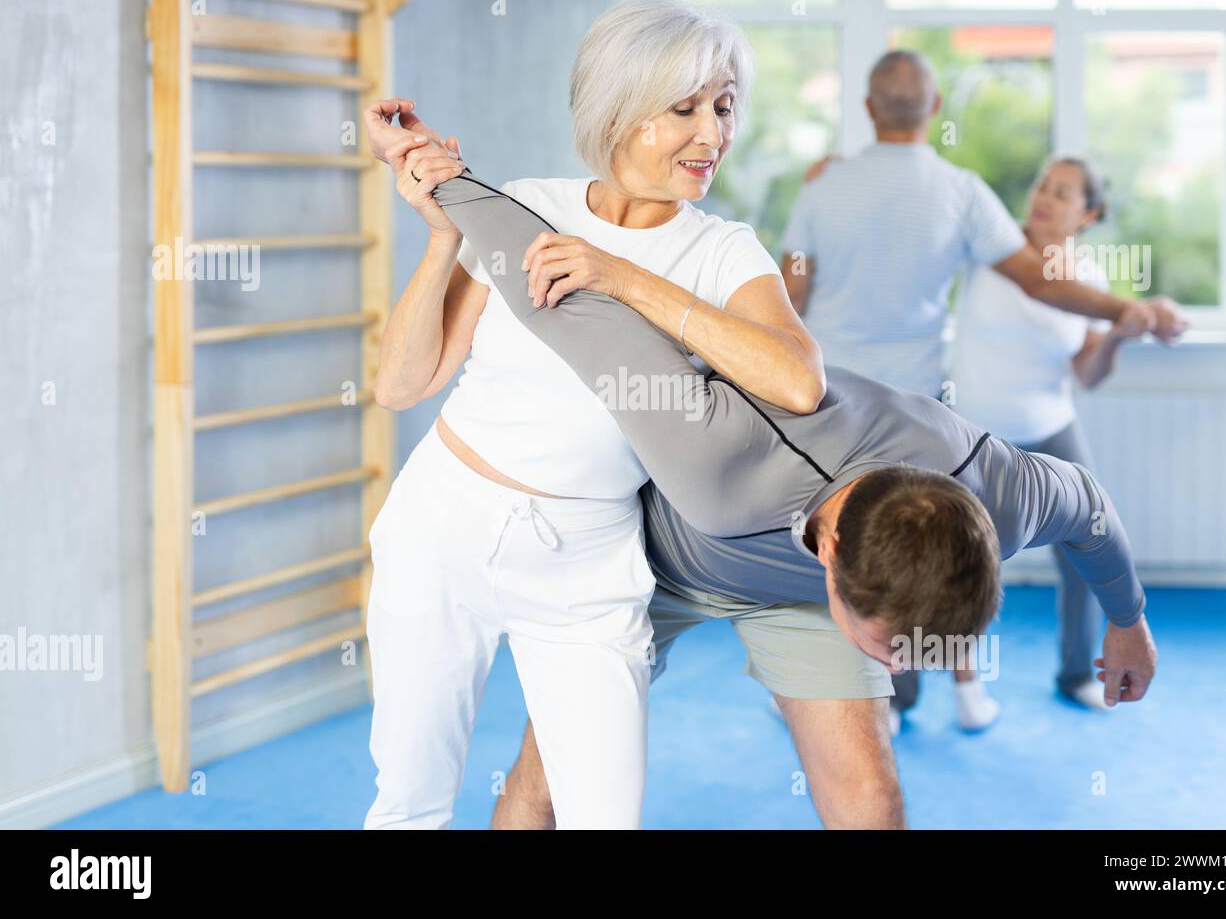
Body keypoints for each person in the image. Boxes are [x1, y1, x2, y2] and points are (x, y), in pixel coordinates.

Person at [418, 172, 1159, 829]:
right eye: (894, 645)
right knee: (550, 789)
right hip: (661, 565)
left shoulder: (999, 491)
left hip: (801, 592)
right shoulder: (714, 454)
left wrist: (1129, 621)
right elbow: (584, 314)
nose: (912, 662)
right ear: (832, 557)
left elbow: (1089, 508)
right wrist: (448, 180)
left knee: (871, 804)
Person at [361, 0, 824, 830]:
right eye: (683, 108)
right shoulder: (529, 205)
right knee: (409, 802)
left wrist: (621, 277)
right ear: (618, 106)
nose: (712, 134)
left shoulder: (723, 251)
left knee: (605, 817)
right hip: (444, 524)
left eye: (722, 106)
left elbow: (796, 379)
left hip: (587, 562)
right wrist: (442, 237)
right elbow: (402, 383)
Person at [780, 50, 1187, 730]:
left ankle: (857, 698)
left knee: (828, 549)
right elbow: (1039, 278)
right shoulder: (961, 191)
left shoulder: (821, 188)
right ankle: (898, 694)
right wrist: (1126, 310)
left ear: (868, 109)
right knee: (908, 551)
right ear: (935, 110)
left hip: (825, 401)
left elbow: (791, 287)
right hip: (907, 413)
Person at [950, 156, 1163, 711]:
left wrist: (1118, 334)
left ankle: (1075, 674)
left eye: (1063, 193)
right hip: (976, 430)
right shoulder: (995, 248)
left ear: (1088, 214)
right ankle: (965, 684)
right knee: (959, 560)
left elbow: (1087, 374)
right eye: (1042, 185)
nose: (1044, 197)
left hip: (1049, 427)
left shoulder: (1091, 279)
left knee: (1089, 547)